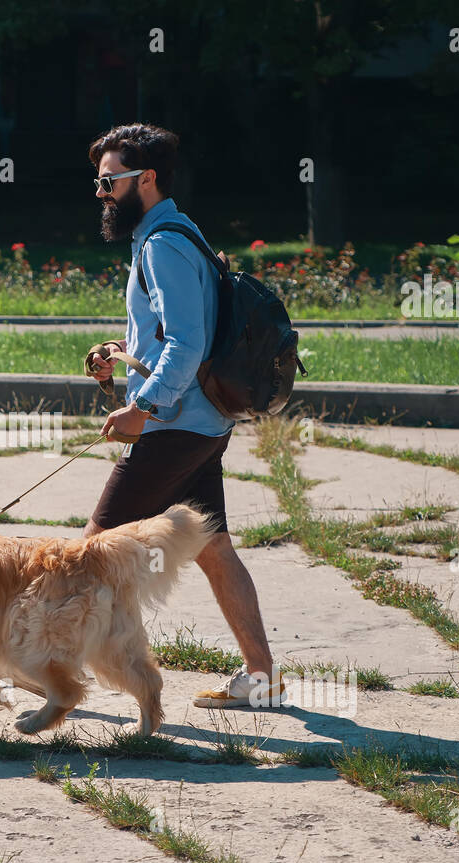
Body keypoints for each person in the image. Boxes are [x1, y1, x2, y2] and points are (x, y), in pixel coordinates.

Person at [82, 122, 285, 708]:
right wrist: (121, 357)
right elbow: (170, 335)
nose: (100, 192)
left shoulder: (163, 244)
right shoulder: (175, 232)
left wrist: (142, 407)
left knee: (93, 552)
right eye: (98, 181)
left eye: (109, 181)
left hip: (175, 427)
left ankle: (56, 670)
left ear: (144, 179)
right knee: (213, 548)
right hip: (200, 422)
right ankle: (262, 679)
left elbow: (188, 342)